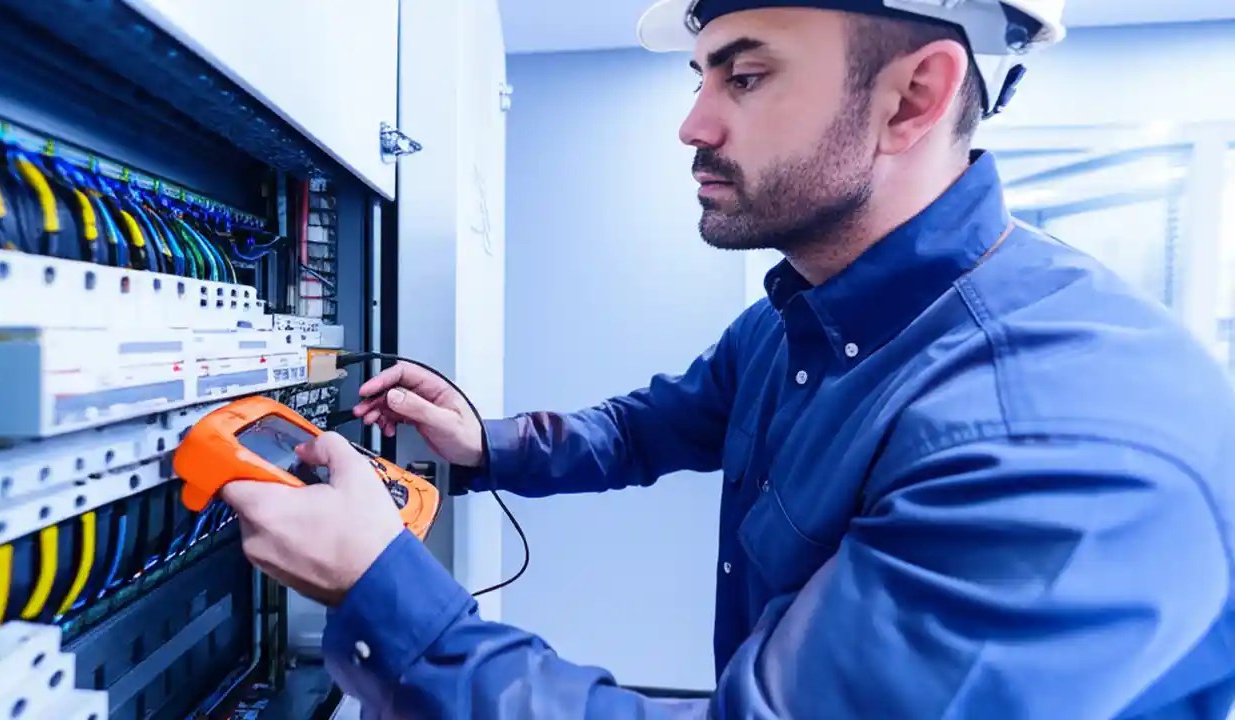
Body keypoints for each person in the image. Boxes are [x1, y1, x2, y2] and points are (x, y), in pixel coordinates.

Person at [220, 0, 1235, 717]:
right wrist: (481, 445)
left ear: (913, 98)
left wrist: (383, 586)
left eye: (744, 75)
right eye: (700, 75)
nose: (691, 123)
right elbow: (656, 422)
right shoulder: (821, 308)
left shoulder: (1055, 448)